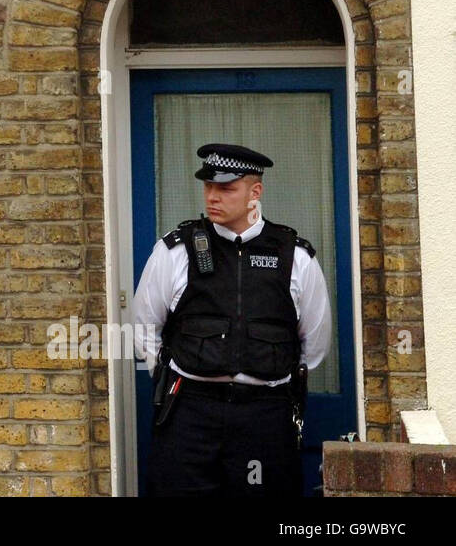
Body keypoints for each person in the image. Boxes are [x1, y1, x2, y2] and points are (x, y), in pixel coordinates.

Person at [132, 143, 332, 497]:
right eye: (208, 186)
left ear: (255, 192)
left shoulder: (294, 257)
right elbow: (144, 329)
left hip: (264, 416)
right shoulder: (176, 251)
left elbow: (314, 343)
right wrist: (178, 379)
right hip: (189, 413)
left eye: (226, 188)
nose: (213, 196)